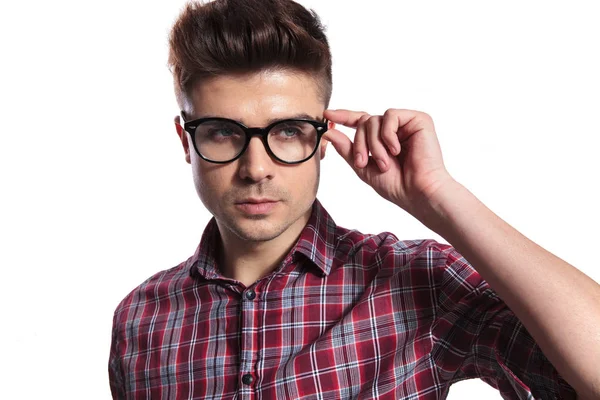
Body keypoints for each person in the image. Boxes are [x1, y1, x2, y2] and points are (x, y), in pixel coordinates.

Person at [108, 0, 600, 398]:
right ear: (184, 139)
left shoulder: (415, 280)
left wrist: (440, 199)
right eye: (220, 132)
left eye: (289, 131)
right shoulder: (140, 320)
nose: (256, 168)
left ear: (322, 137)